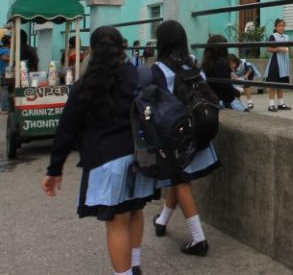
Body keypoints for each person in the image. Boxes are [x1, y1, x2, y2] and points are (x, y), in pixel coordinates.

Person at [41, 26, 159, 275]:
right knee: (135, 210)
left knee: (116, 222)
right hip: (140, 158)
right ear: (123, 48)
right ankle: (134, 266)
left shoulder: (84, 86)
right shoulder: (139, 76)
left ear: (91, 51)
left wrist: (54, 169)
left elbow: (66, 130)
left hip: (105, 162)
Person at [150, 20, 219, 257]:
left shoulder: (159, 68)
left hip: (175, 135)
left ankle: (199, 239)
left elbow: (156, 103)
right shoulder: (193, 63)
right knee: (177, 180)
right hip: (196, 129)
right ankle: (161, 221)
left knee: (179, 181)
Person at [201, 34, 248, 112]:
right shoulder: (222, 63)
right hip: (221, 101)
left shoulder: (205, 63)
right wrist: (237, 92)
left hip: (209, 99)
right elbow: (226, 87)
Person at [265, 18, 291, 112]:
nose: (281, 28)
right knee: (273, 84)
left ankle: (281, 104)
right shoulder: (273, 36)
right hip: (275, 62)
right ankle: (271, 105)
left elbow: (287, 48)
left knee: (281, 84)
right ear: (276, 27)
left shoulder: (287, 37)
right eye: (279, 26)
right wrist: (279, 49)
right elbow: (268, 49)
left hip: (284, 63)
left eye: (283, 26)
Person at [0, 34, 9, 114]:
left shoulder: (1, 49)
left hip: (2, 72)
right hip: (6, 72)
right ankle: (4, 109)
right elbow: (3, 57)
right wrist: (11, 58)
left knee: (4, 90)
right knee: (5, 90)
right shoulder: (7, 50)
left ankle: (3, 107)